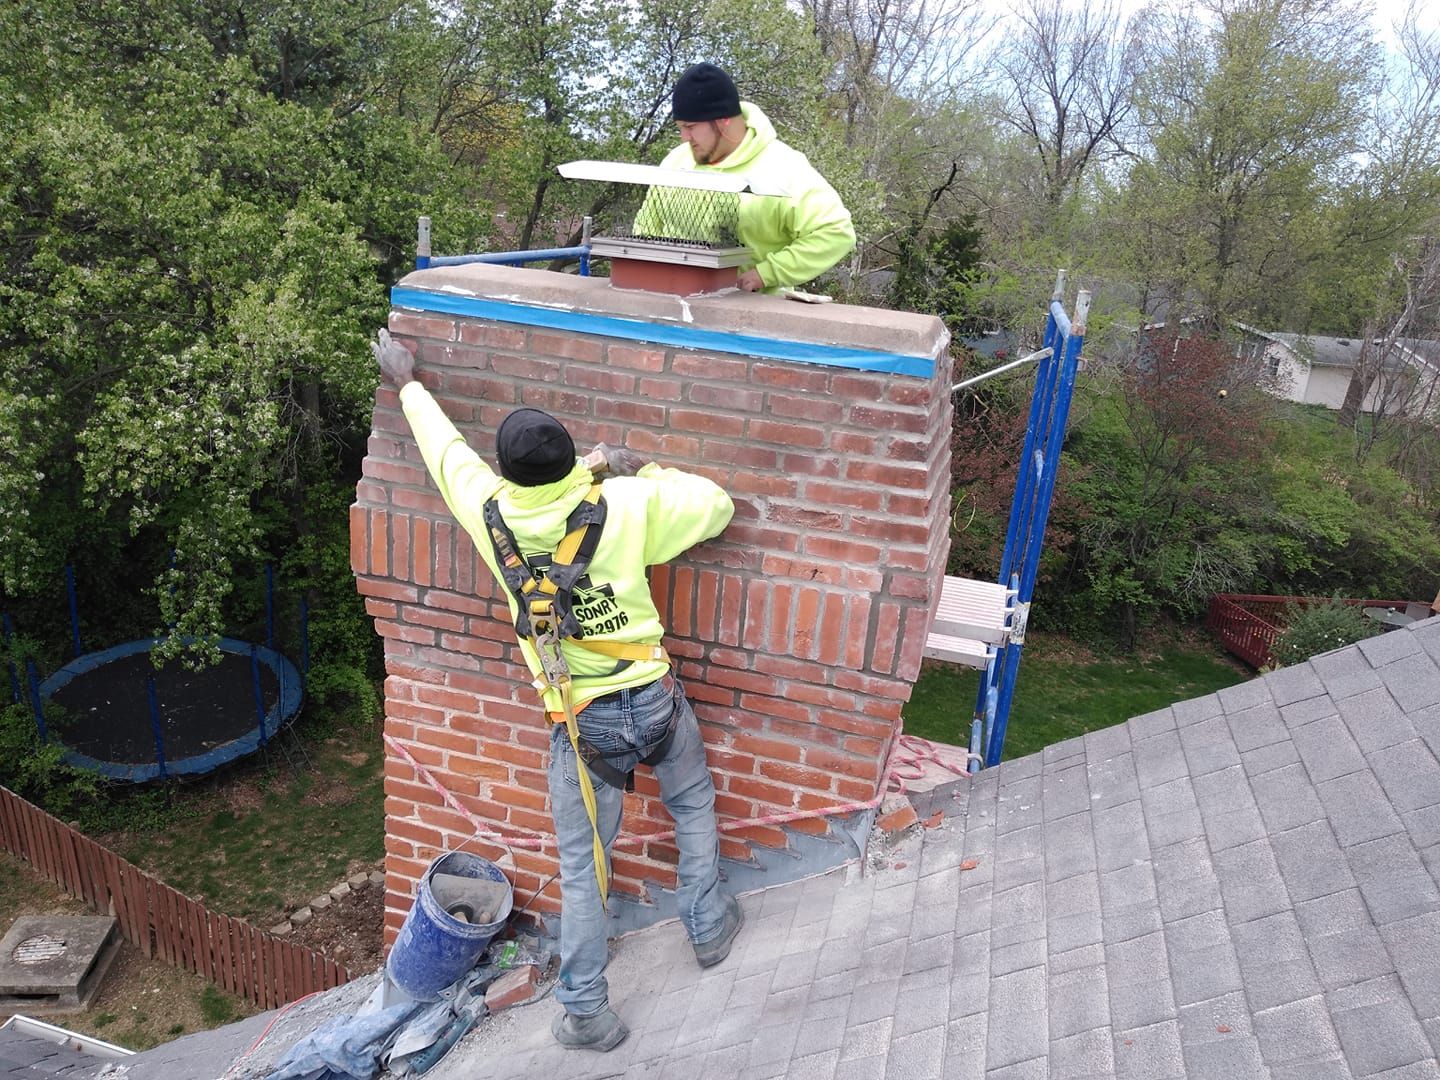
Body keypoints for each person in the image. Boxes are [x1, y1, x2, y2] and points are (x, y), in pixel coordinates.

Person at [371, 331, 742, 1053]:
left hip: (580, 724)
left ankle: (587, 1012)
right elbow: (716, 504)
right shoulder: (625, 504)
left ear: (505, 471)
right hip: (654, 698)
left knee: (584, 868)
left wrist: (407, 382)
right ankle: (708, 928)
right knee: (692, 802)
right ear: (576, 459)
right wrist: (640, 469)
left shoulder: (489, 513)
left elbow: (446, 455)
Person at [632, 62, 855, 293]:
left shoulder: (784, 168)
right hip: (669, 302)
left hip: (751, 309)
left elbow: (836, 232)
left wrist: (766, 273)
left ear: (723, 121)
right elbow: (646, 228)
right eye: (680, 127)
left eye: (690, 127)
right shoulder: (675, 161)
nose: (684, 138)